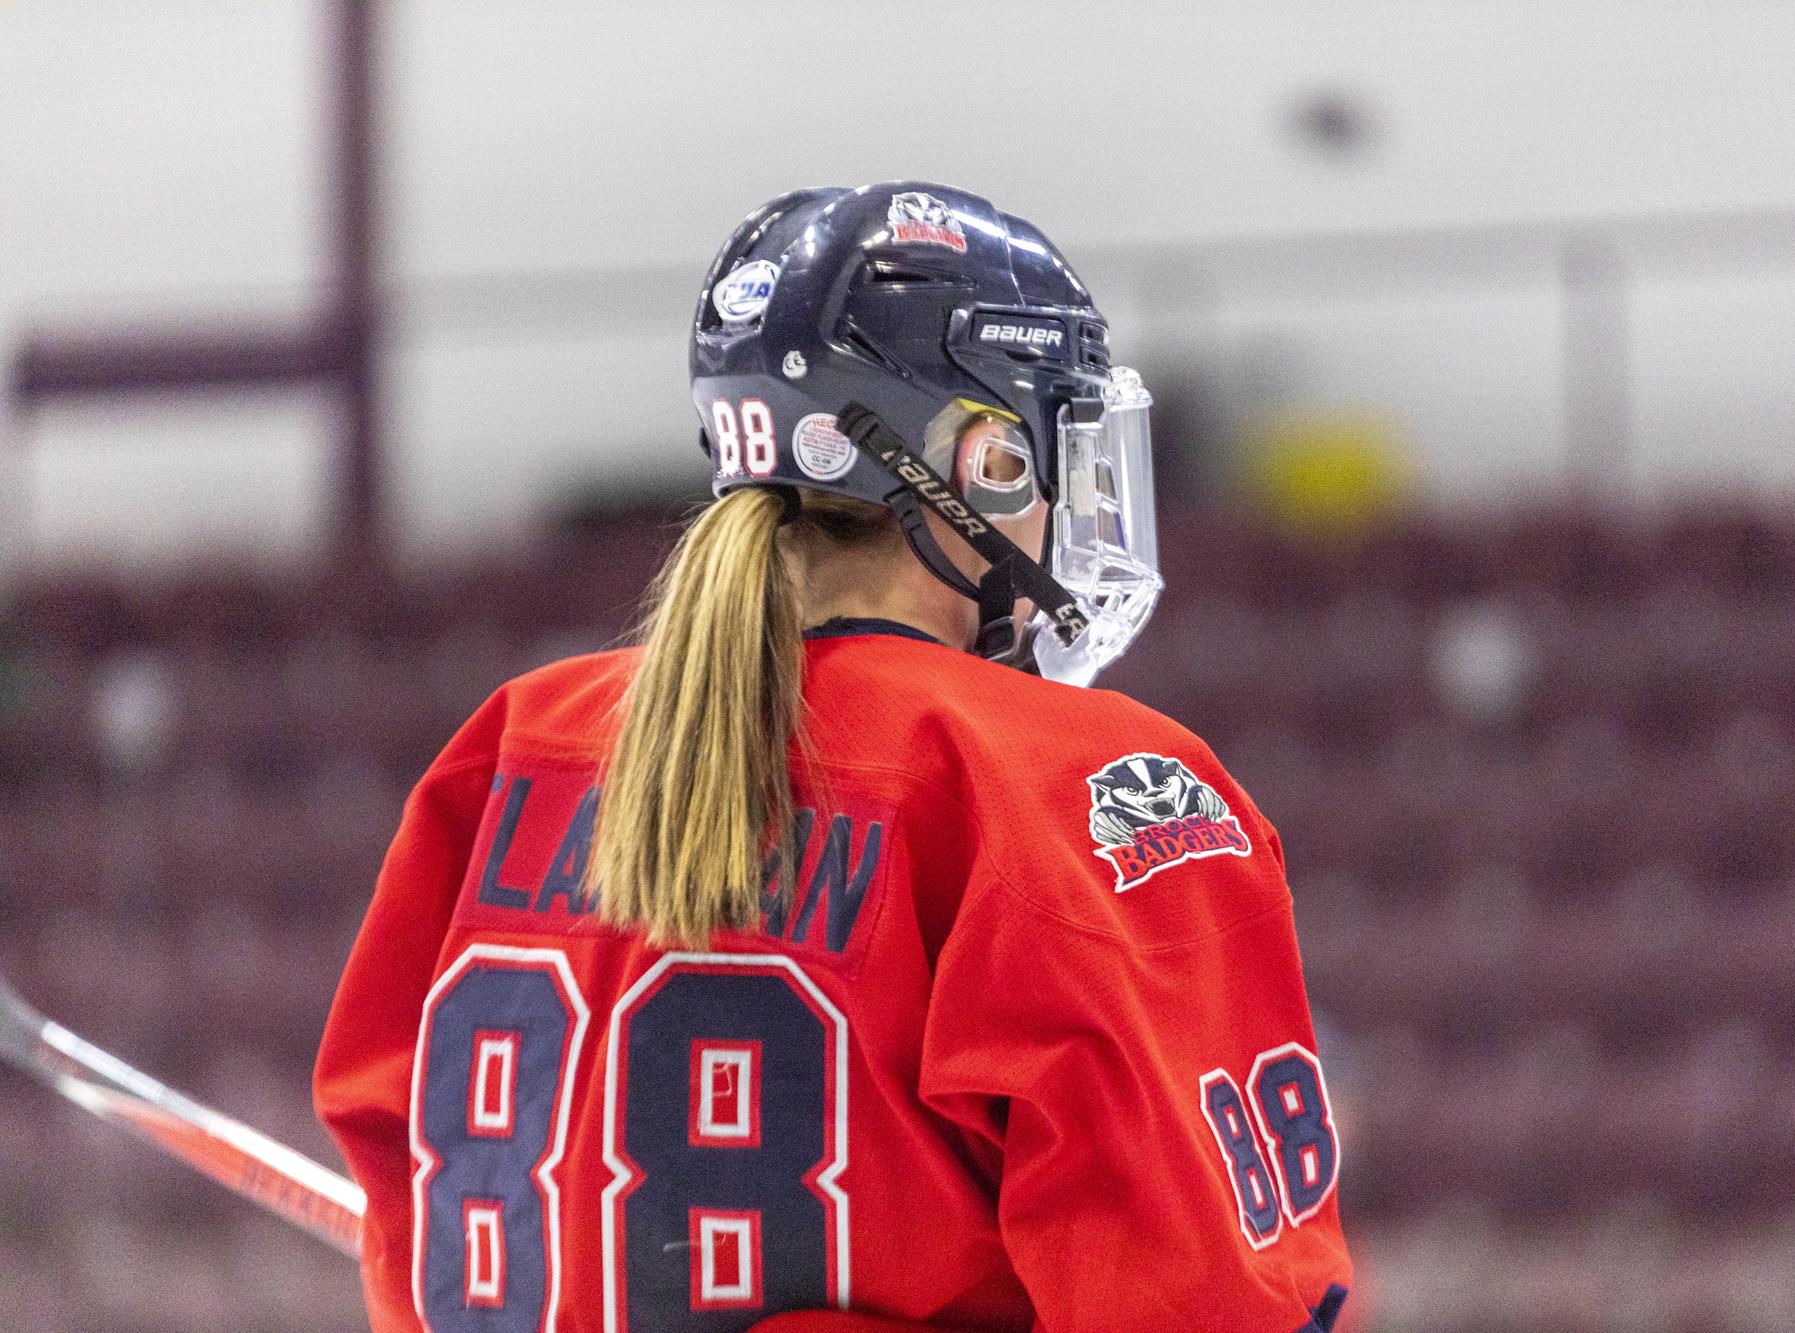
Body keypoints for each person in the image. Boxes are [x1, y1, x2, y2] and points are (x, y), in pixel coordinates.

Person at [314, 182, 1353, 1333]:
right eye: (1052, 443)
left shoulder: (518, 745)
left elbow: (417, 1190)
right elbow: (1195, 1300)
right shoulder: (1069, 785)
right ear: (979, 462)